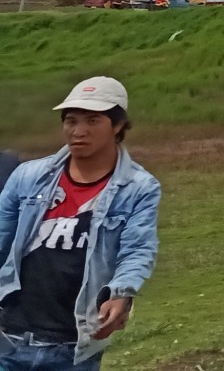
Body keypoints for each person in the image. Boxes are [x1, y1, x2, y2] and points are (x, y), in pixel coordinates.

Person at [0, 76, 160, 371]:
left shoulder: (139, 187)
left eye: (92, 121)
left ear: (118, 126)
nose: (79, 131)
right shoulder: (26, 176)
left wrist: (121, 293)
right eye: (71, 121)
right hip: (9, 337)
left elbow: (137, 250)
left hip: (73, 346)